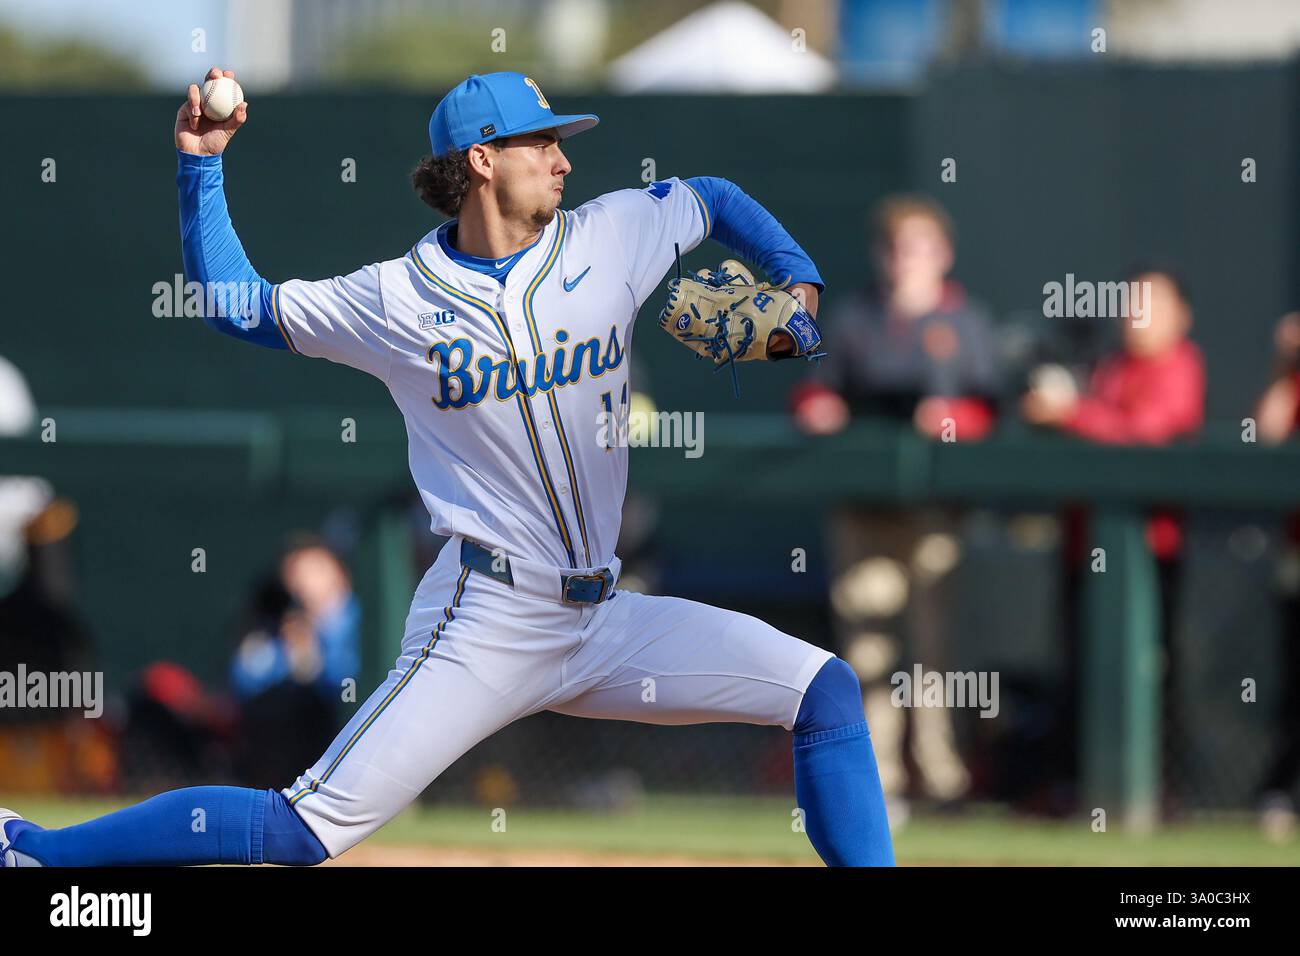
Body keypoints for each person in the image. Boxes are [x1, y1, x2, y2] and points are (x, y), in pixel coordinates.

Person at [0, 68, 893, 866]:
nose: (562, 160)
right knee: (300, 830)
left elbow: (712, 196)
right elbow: (238, 305)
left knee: (825, 691)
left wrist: (797, 279)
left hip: (606, 614)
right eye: (541, 141)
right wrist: (202, 163)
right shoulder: (395, 299)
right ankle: (30, 851)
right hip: (486, 621)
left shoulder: (612, 234)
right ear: (478, 159)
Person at [790, 195, 1000, 822]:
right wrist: (818, 412)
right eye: (898, 247)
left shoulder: (966, 323)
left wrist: (953, 421)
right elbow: (813, 393)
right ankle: (877, 782)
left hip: (936, 513)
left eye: (921, 247)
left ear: (944, 254)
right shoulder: (857, 319)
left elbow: (991, 408)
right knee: (868, 654)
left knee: (934, 652)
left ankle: (942, 778)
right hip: (866, 509)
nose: (908, 260)